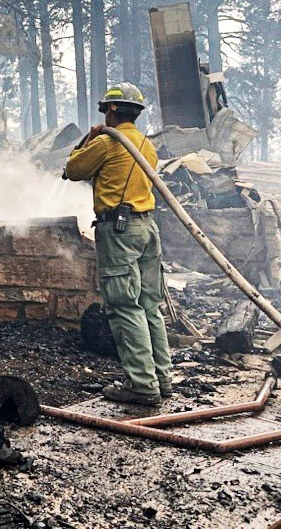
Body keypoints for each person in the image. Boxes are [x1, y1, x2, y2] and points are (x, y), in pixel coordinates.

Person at [64, 83, 172, 407]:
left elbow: (72, 169)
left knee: (125, 306)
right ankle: (161, 379)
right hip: (147, 228)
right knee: (150, 305)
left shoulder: (108, 142)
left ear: (110, 110)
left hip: (119, 232)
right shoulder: (146, 145)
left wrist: (90, 137)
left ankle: (141, 385)